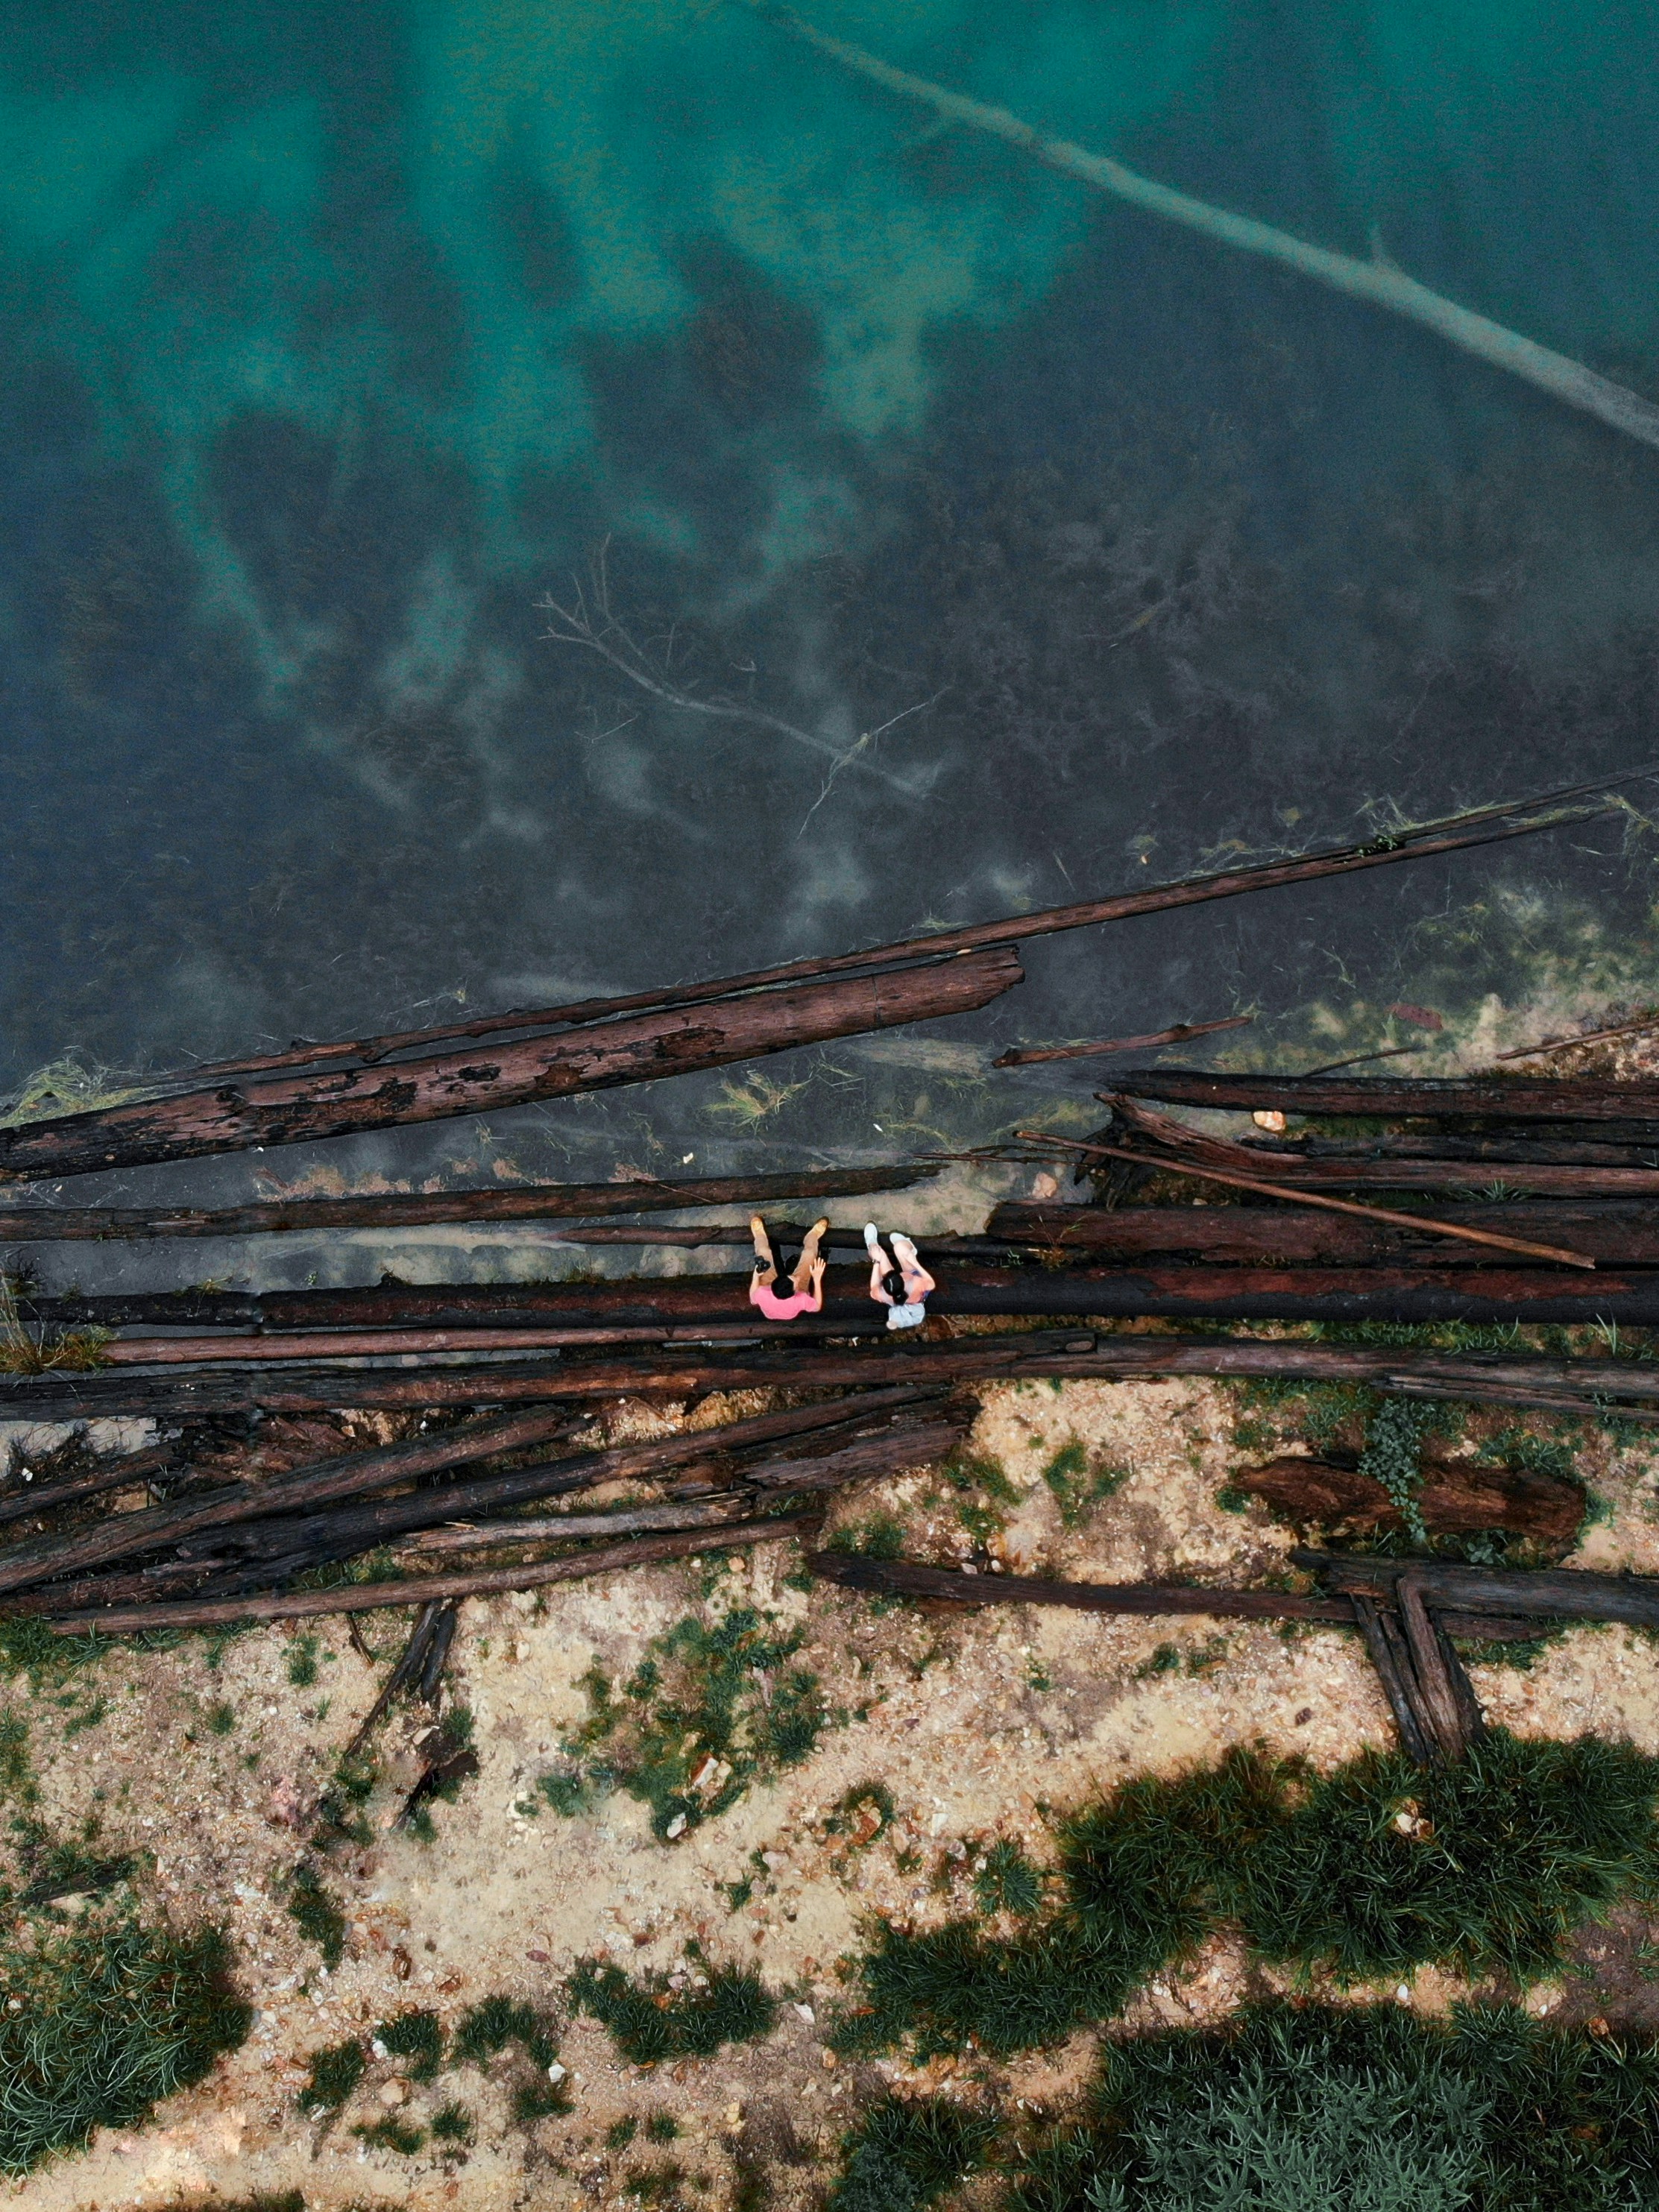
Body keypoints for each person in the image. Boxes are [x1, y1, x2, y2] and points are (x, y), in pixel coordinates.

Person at [749, 1214, 828, 1320]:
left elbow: (752, 1298)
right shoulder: (801, 1299)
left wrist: (756, 1276)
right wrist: (817, 1280)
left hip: (772, 1304)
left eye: (793, 1277)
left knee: (763, 1252)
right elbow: (817, 1307)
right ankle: (813, 1236)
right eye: (796, 1280)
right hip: (790, 1310)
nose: (797, 1278)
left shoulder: (762, 1293)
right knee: (809, 1254)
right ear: (796, 1293)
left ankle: (759, 1236)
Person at [863, 1222, 935, 1330]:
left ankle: (872, 1243)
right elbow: (931, 1284)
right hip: (912, 1275)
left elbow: (874, 1287)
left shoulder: (882, 1294)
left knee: (889, 1249)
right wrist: (914, 1262)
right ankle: (905, 1246)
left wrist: (876, 1261)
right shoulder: (916, 1284)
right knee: (900, 1247)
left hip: (908, 1277)